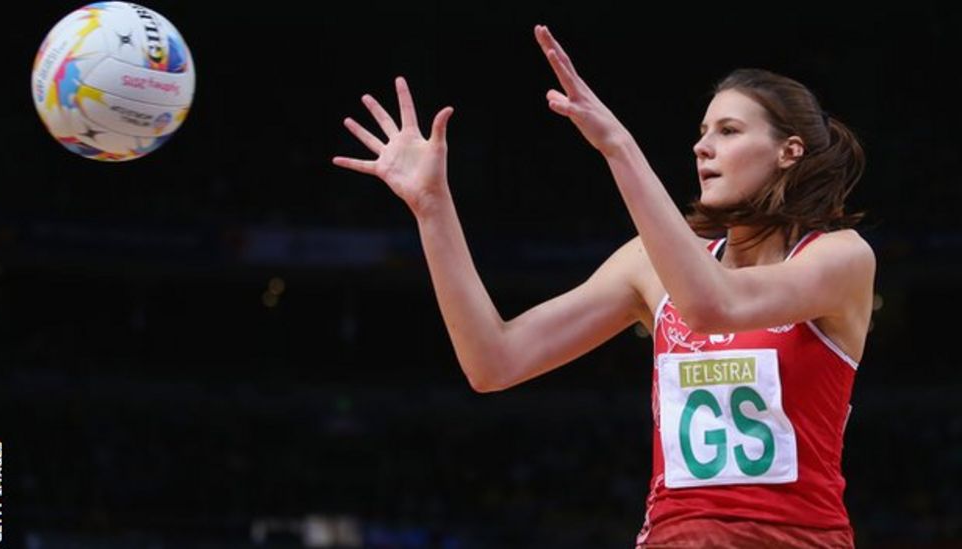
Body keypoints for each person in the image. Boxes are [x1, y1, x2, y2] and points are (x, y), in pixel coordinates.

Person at [333, 24, 873, 549]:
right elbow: (494, 361)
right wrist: (432, 209)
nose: (701, 147)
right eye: (703, 131)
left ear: (789, 151)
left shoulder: (839, 257)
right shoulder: (650, 264)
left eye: (728, 131)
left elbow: (714, 305)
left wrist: (618, 146)